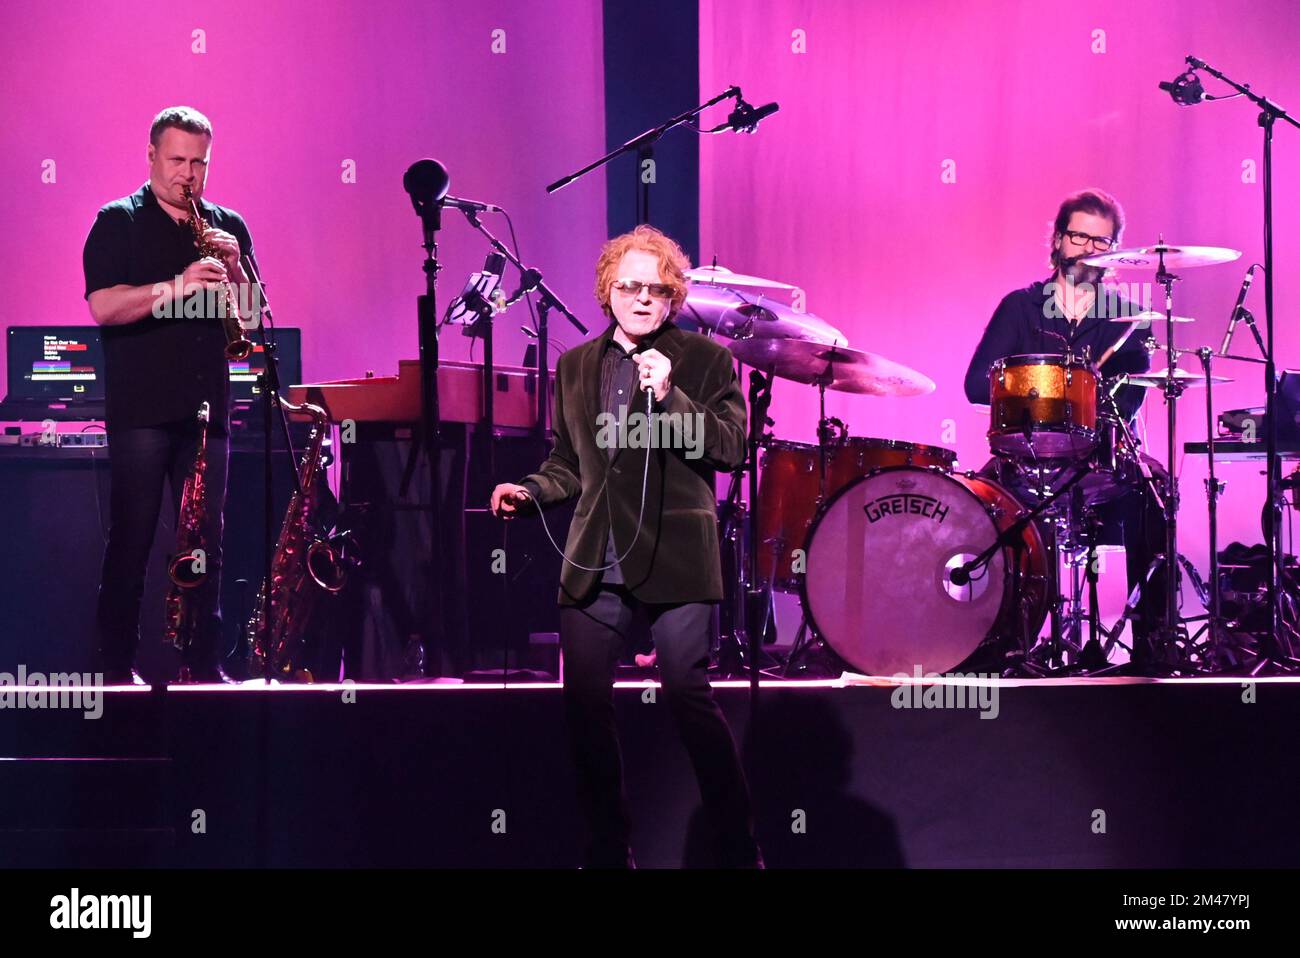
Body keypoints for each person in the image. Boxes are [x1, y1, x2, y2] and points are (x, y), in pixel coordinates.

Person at [490, 225, 762, 868]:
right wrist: (530, 491)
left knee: (688, 697)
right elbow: (569, 463)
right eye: (629, 286)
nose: (642, 298)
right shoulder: (576, 365)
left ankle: (737, 846)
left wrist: (669, 396)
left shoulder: (705, 359)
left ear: (673, 298)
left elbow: (728, 449)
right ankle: (609, 850)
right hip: (597, 554)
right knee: (583, 702)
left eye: (656, 289)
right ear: (607, 290)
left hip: (676, 554)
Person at [83, 106, 256, 685]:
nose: (189, 174)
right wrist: (179, 287)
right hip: (140, 410)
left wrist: (234, 270)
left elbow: (252, 323)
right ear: (152, 156)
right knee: (132, 537)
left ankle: (202, 666)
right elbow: (105, 307)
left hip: (208, 408)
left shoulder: (227, 224)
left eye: (200, 162)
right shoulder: (117, 221)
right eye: (178, 160)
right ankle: (114, 669)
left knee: (207, 538)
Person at [964, 188, 1168, 671]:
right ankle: (1000, 643)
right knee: (975, 511)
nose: (1089, 249)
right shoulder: (1020, 307)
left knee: (1158, 500)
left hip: (1099, 461)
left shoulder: (1127, 318)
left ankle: (1151, 647)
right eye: (1080, 237)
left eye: (1103, 242)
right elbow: (975, 385)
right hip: (1024, 461)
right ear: (1058, 240)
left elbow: (1133, 396)